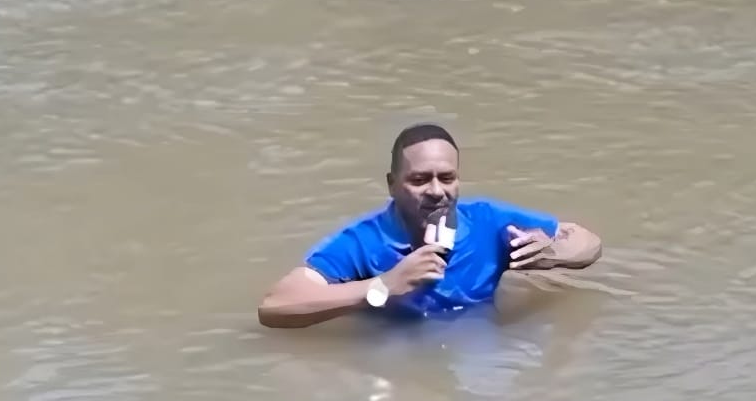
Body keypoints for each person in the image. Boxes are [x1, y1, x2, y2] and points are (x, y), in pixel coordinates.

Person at [257, 123, 602, 329]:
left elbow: (588, 242)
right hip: (394, 355)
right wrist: (384, 288)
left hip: (481, 347)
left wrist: (553, 251)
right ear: (392, 184)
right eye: (420, 180)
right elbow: (274, 306)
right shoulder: (363, 242)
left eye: (447, 178)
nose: (436, 191)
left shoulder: (487, 222)